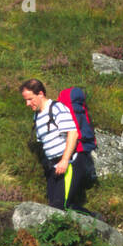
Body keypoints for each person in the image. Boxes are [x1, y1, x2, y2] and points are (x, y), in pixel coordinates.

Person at [20, 78, 92, 213]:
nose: (27, 104)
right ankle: (94, 219)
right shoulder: (37, 116)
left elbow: (73, 133)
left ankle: (97, 225)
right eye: (25, 100)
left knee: (58, 208)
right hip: (54, 167)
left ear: (40, 94)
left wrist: (65, 160)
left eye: (30, 99)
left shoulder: (56, 108)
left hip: (70, 162)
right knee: (55, 206)